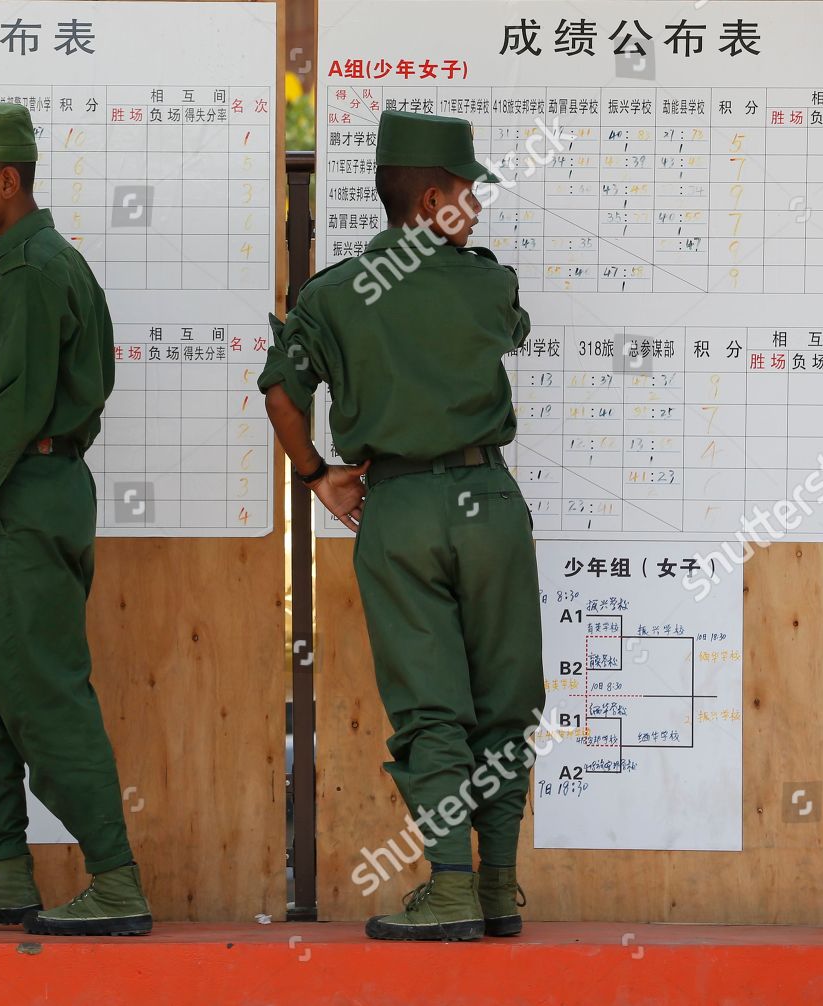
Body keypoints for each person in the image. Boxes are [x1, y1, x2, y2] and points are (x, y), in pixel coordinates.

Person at [259, 109, 546, 941]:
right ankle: (496, 888)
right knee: (505, 702)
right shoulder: (488, 283)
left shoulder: (333, 293)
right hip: (488, 505)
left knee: (430, 708)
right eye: (467, 193)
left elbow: (281, 392)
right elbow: (507, 330)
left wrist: (318, 477)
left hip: (400, 509)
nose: (476, 210)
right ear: (429, 198)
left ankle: (448, 886)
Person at [0, 102, 151, 937]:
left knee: (44, 695)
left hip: (22, 496)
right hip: (28, 492)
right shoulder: (43, 263)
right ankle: (6, 873)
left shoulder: (33, 271)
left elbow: (13, 409)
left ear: (7, 181)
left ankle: (117, 881)